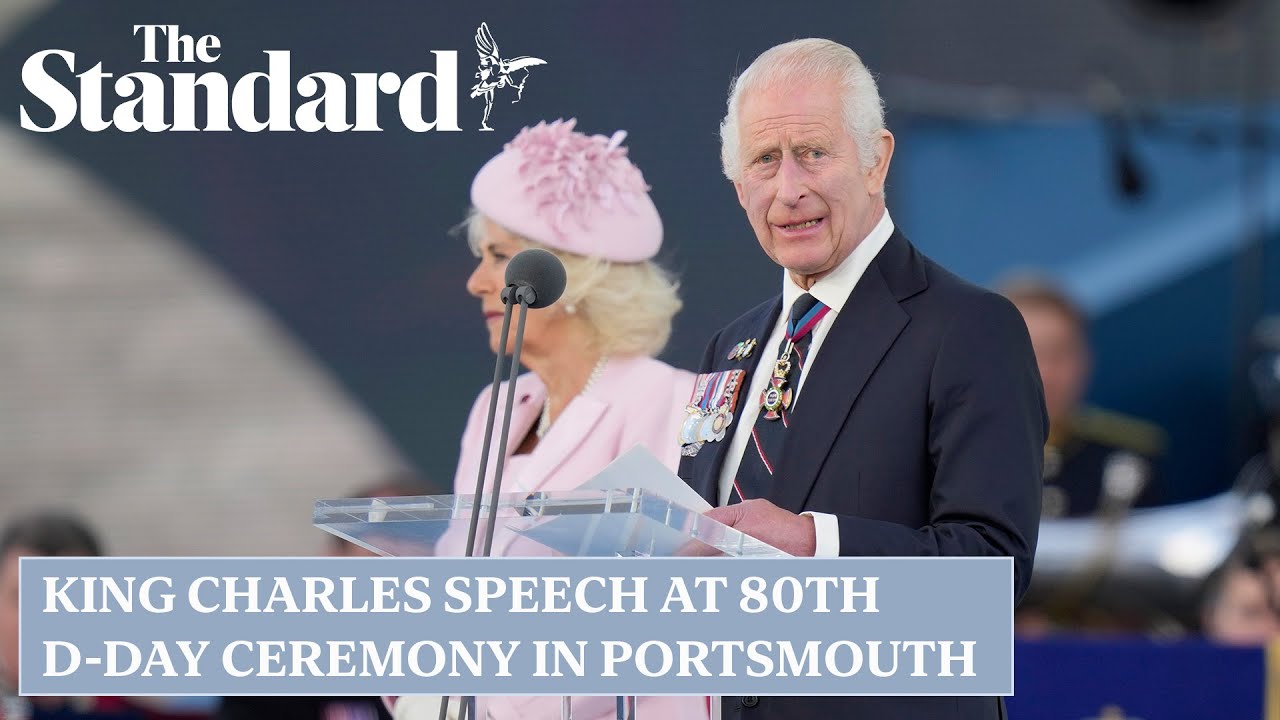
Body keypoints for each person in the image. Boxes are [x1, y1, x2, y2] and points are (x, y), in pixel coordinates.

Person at [677, 39, 1045, 719]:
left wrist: (815, 543)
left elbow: (992, 574)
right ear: (738, 187)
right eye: (764, 161)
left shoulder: (969, 327)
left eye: (812, 152)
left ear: (877, 159)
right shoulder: (731, 346)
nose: (789, 189)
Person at [388, 119, 704, 720]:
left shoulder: (664, 400)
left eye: (500, 258)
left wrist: (490, 701)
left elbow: (658, 613)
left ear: (572, 275)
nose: (476, 281)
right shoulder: (496, 409)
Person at [1000, 277, 1165, 519]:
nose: (1045, 373)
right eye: (1028, 353)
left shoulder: (1128, 458)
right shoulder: (947, 460)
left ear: (1085, 360)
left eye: (1059, 354)